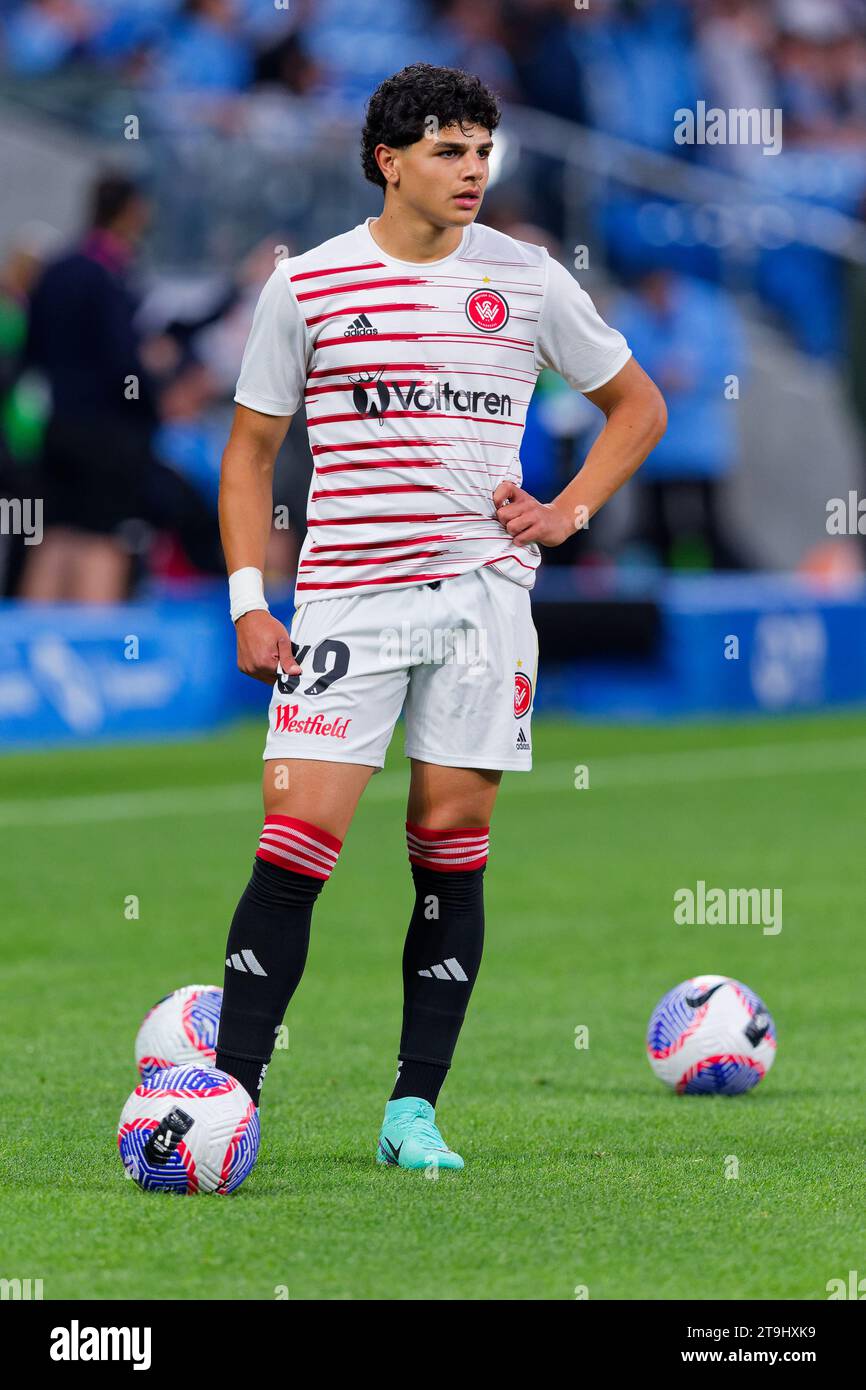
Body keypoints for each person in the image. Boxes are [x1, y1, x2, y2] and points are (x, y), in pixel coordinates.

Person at [215, 63, 666, 1171]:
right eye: (448, 152)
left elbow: (636, 405)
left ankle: (411, 1109)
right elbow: (250, 454)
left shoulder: (524, 278)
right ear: (389, 161)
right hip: (345, 605)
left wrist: (566, 510)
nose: (471, 171)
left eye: (481, 151)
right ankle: (228, 1097)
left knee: (446, 857)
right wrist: (247, 600)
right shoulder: (308, 285)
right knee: (293, 851)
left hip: (480, 606)